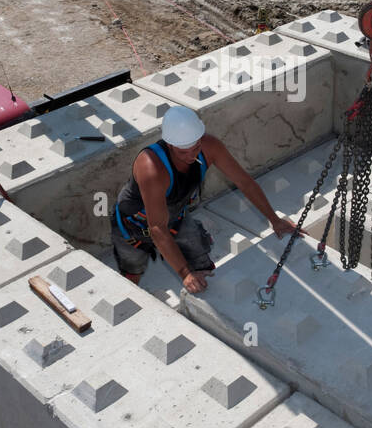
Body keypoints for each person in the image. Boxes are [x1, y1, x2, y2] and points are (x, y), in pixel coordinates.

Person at [111, 105, 298, 294]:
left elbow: (244, 182)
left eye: (196, 147)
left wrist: (274, 220)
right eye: (183, 152)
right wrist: (185, 273)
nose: (192, 155)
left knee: (200, 258)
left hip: (175, 218)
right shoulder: (152, 167)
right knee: (132, 271)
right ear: (169, 144)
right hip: (133, 224)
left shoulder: (209, 146)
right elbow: (157, 228)